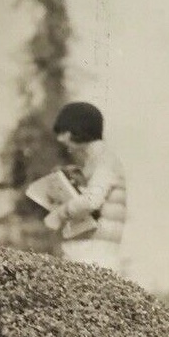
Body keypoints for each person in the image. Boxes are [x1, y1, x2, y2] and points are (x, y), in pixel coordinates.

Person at [46, 101, 128, 273]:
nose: (62, 140)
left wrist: (60, 214)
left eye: (64, 132)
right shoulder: (96, 162)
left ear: (78, 130)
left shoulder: (104, 161)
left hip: (94, 254)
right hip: (92, 251)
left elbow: (92, 201)